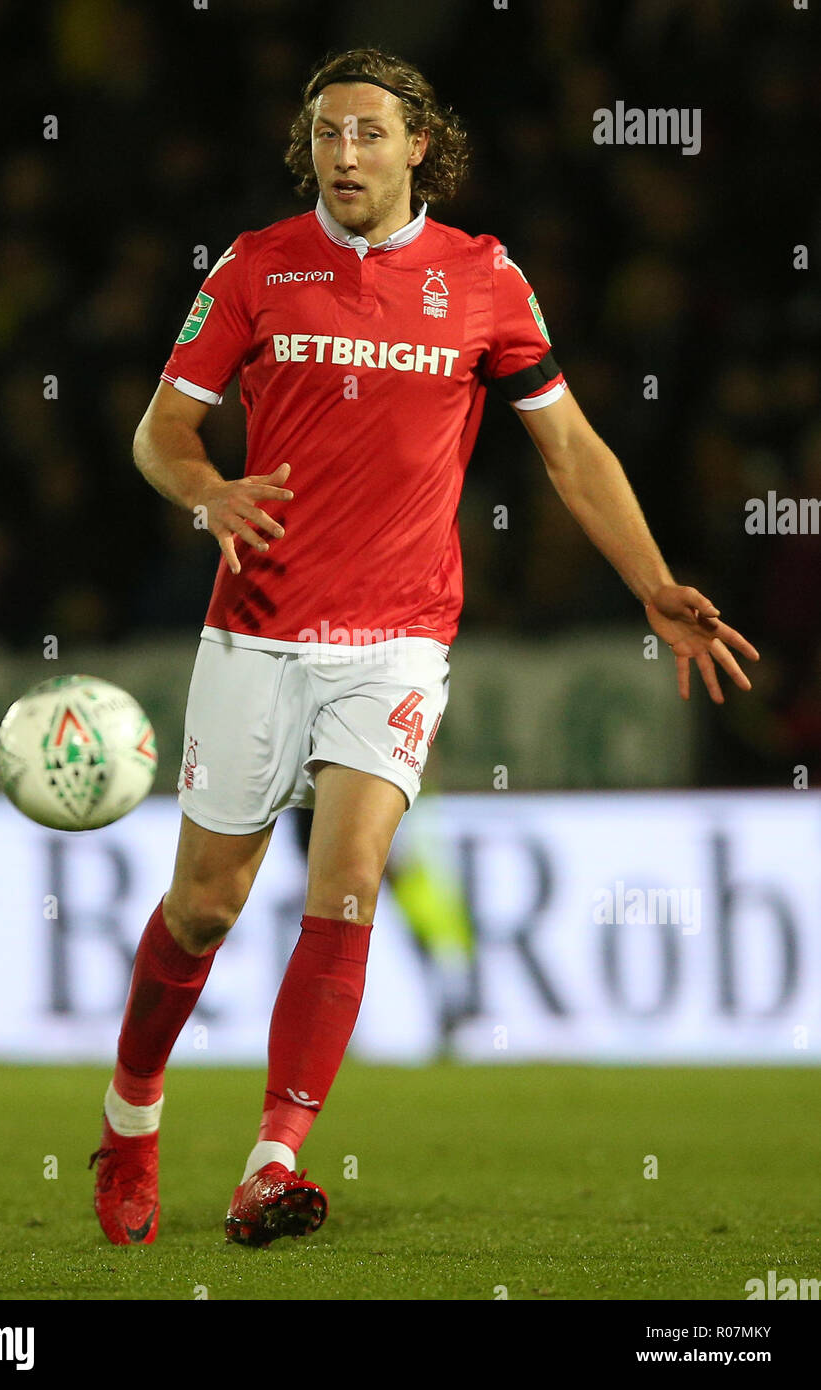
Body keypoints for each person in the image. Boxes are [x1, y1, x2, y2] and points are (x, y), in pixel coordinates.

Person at [89, 47, 759, 1249]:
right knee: (202, 909)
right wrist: (207, 495)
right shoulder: (253, 267)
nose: (344, 153)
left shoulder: (483, 277)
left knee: (344, 882)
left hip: (397, 638)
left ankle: (270, 1160)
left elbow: (571, 451)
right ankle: (130, 1113)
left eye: (366, 132)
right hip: (256, 632)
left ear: (416, 147)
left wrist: (652, 582)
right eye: (325, 134)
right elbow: (161, 431)